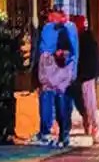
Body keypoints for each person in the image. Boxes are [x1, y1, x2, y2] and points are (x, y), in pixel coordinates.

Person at [30, 10, 79, 148]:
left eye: (51, 15)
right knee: (63, 101)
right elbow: (75, 51)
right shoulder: (71, 28)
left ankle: (46, 132)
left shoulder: (47, 29)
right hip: (67, 70)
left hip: (51, 68)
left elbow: (42, 50)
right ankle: (63, 135)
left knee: (47, 98)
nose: (49, 17)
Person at [68, 15, 99, 143]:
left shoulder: (84, 38)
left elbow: (92, 58)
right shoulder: (83, 38)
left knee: (88, 101)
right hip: (82, 76)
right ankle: (89, 123)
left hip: (85, 76)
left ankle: (93, 125)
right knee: (84, 101)